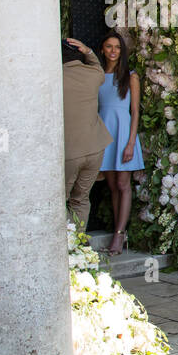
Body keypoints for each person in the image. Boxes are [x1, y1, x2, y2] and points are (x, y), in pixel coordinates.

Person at [97, 32, 144, 256]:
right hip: (103, 131)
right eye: (108, 47)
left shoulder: (130, 76)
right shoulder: (97, 76)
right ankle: (118, 230)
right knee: (113, 185)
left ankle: (119, 234)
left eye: (117, 47)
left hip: (124, 132)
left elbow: (135, 112)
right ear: (102, 50)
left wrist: (131, 142)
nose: (113, 51)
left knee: (124, 184)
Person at [62, 37, 113, 231]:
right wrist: (88, 50)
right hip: (94, 149)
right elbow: (96, 65)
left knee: (60, 201)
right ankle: (79, 245)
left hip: (70, 152)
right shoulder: (93, 74)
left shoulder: (54, 77)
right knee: (81, 199)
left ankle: (66, 247)